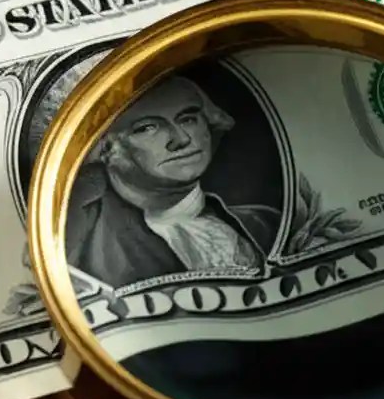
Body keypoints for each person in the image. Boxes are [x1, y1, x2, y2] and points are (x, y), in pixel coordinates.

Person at [65, 75, 280, 288]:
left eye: (187, 119)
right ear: (104, 148)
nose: (182, 139)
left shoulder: (265, 224)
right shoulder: (82, 250)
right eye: (148, 128)